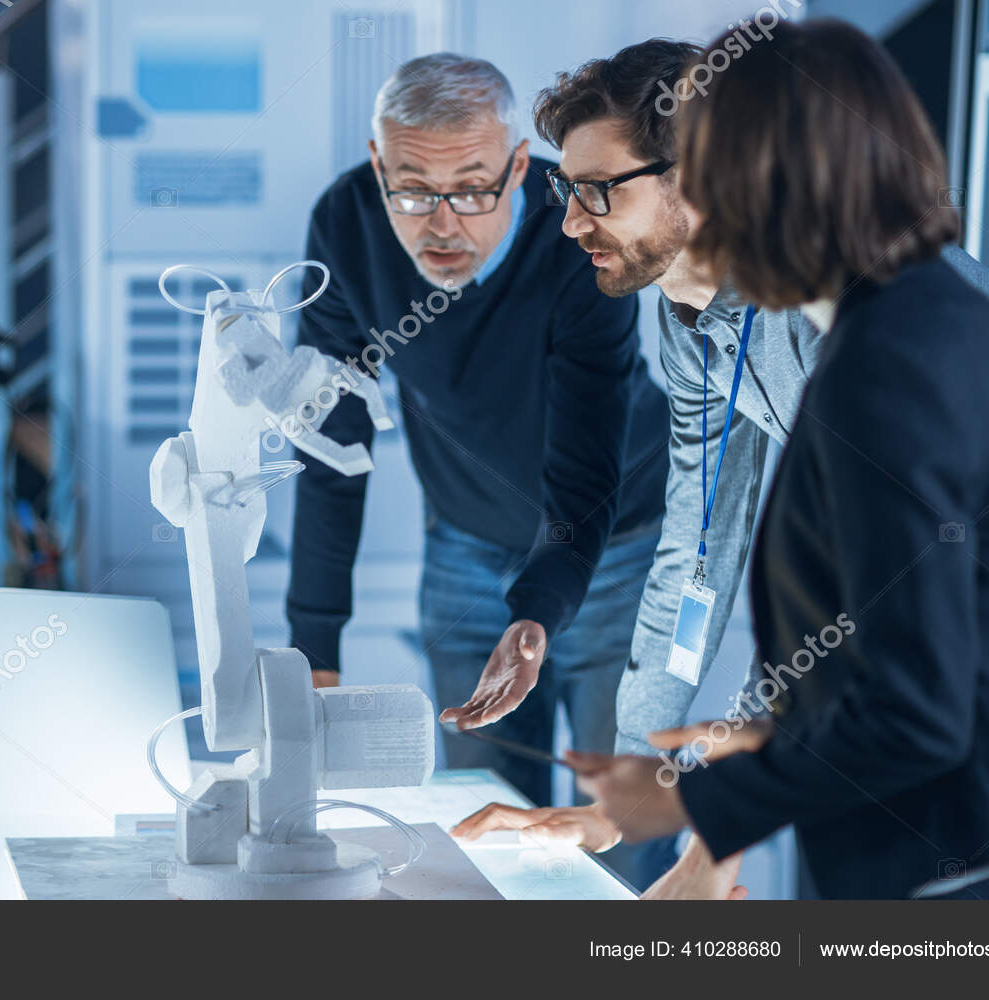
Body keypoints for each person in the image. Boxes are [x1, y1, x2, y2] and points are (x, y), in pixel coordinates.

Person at [450, 35, 989, 886]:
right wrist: (629, 790)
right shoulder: (695, 322)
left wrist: (710, 840)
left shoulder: (875, 331)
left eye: (598, 191)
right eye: (566, 187)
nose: (568, 222)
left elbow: (858, 602)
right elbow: (696, 549)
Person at [286, 53, 672, 886]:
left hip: (615, 538)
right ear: (377, 163)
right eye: (412, 190)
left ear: (520, 168)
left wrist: (537, 608)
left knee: (616, 818)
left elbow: (584, 458)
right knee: (481, 805)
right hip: (462, 539)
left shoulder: (577, 237)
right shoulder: (347, 225)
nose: (441, 224)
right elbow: (330, 447)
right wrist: (314, 654)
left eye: (472, 188)